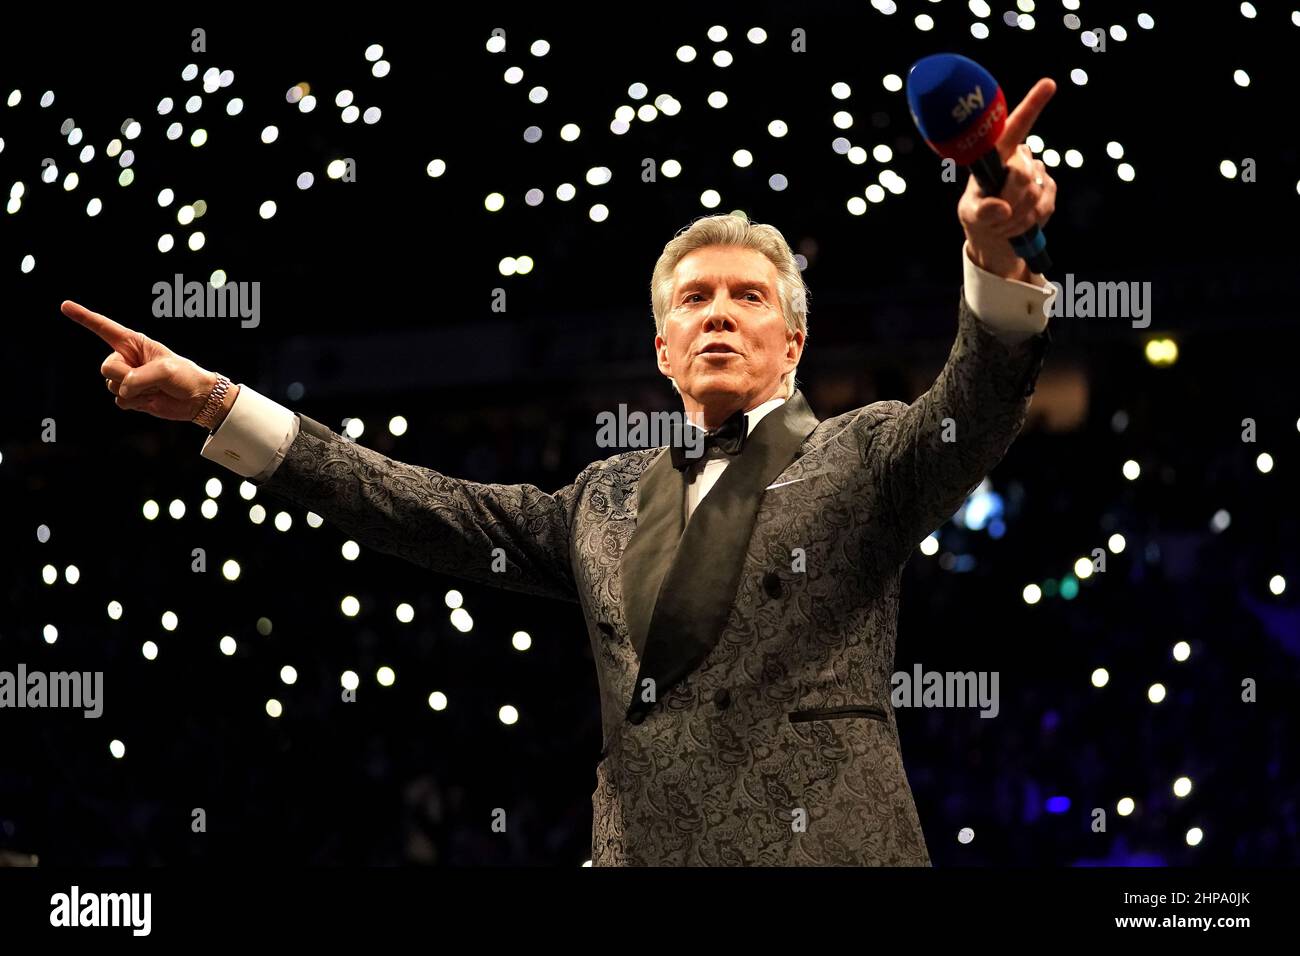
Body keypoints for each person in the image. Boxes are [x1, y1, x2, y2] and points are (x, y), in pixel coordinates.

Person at [65, 79, 1060, 866]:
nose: (718, 311)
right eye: (695, 298)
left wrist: (995, 257)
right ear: (663, 348)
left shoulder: (865, 450)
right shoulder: (601, 498)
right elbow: (420, 506)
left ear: (793, 341)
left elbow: (971, 406)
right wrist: (217, 403)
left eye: (748, 296)